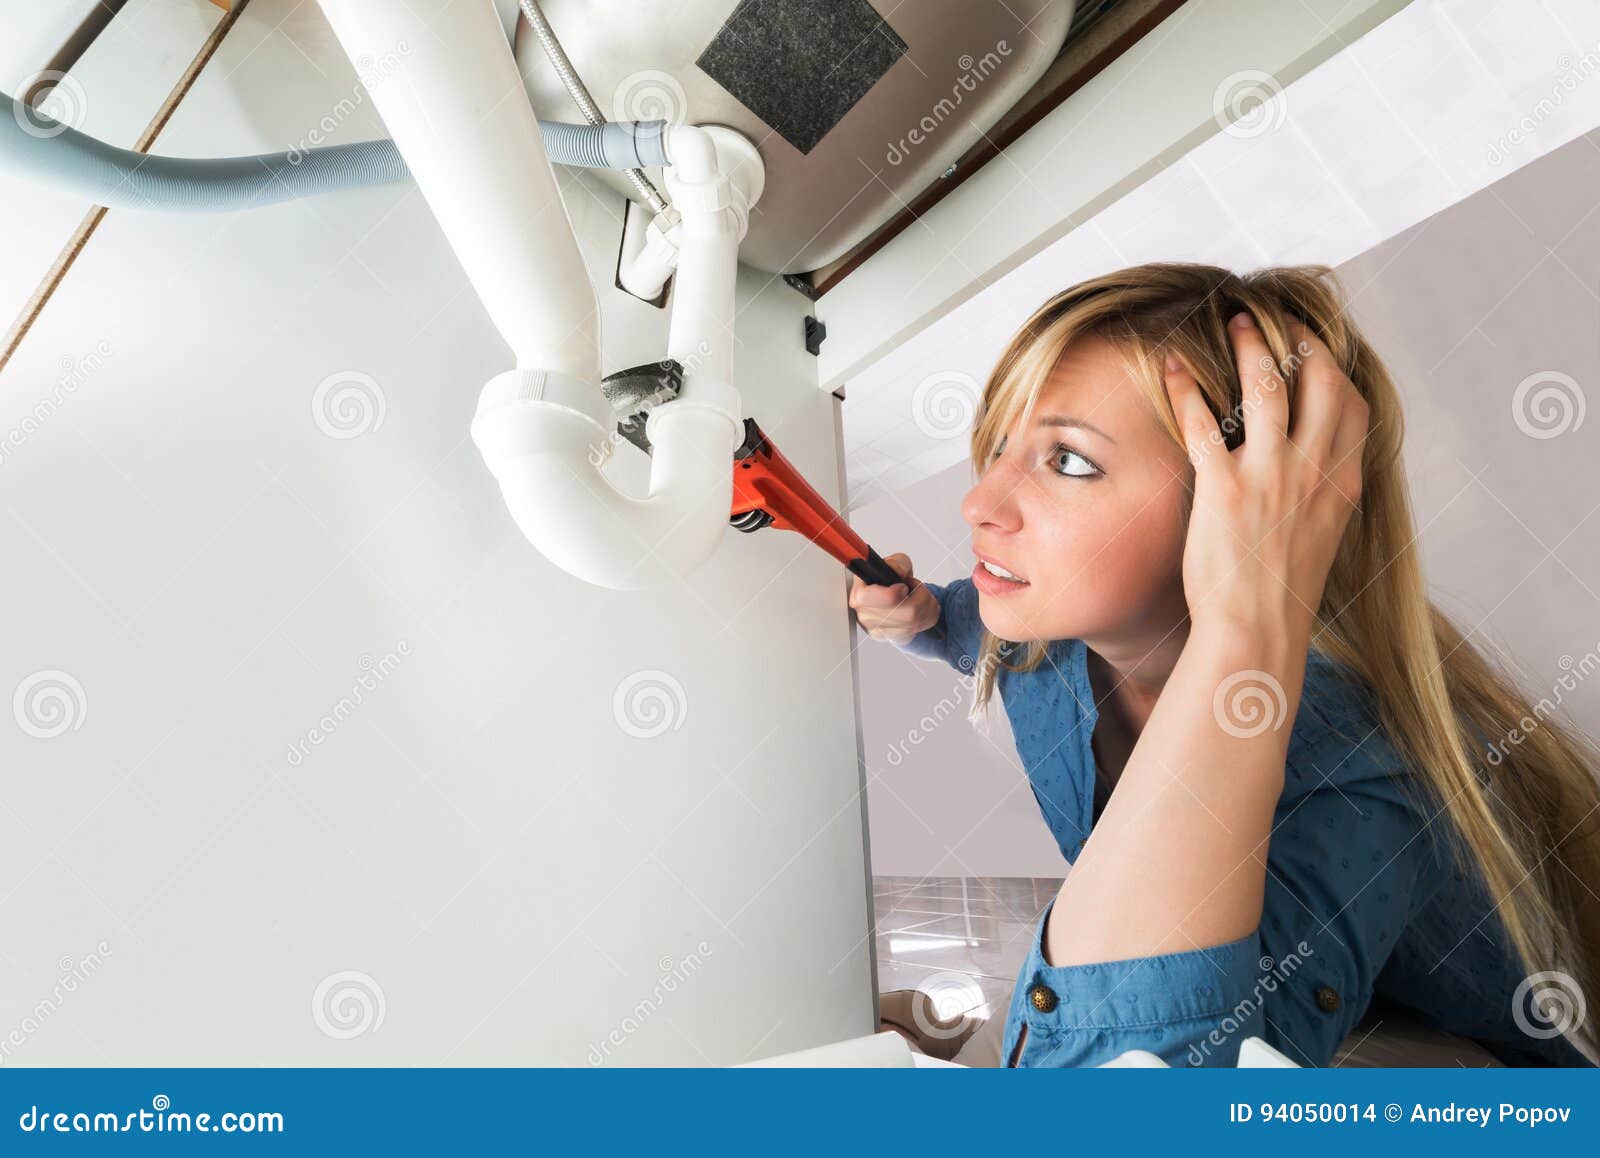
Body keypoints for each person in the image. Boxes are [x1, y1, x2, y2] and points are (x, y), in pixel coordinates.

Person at [851, 263, 1600, 1068]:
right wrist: (921, 619)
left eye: (1068, 461)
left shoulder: (1359, 794)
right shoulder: (1054, 637)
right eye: (1001, 446)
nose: (979, 505)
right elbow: (977, 627)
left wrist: (1247, 617)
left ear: (1243, 509)